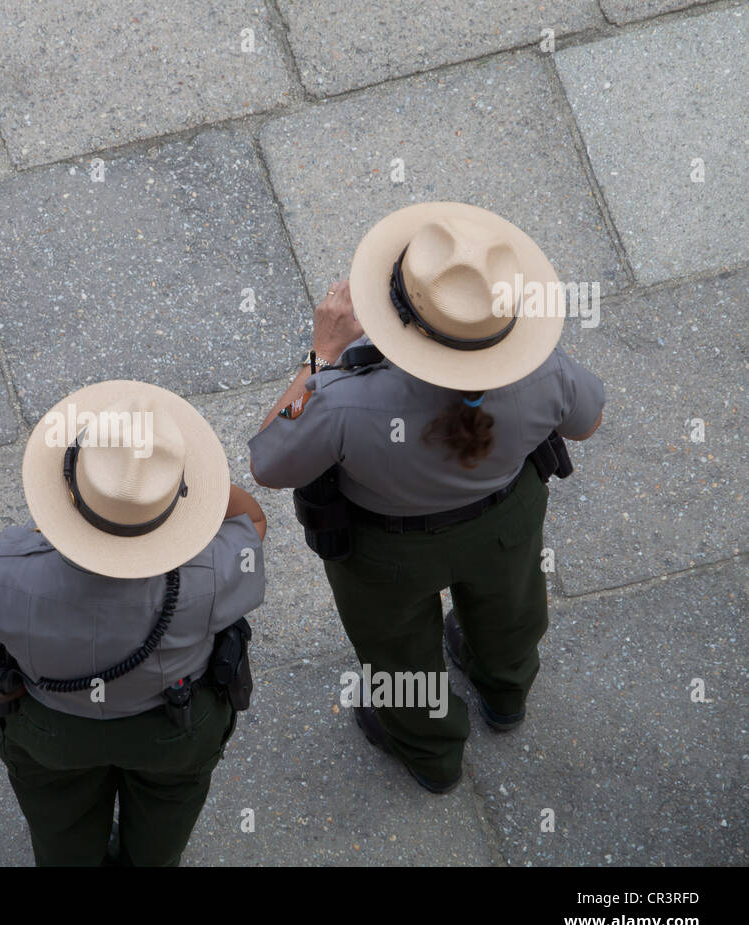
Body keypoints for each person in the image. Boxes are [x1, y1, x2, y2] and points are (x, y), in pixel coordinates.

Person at [249, 202, 605, 793]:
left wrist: (321, 352)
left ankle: (432, 755)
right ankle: (505, 693)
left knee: (399, 658)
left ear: (399, 317)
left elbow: (269, 458)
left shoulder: (344, 404)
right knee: (511, 611)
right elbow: (586, 422)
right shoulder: (544, 370)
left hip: (385, 550)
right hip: (505, 522)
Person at [0, 380, 266, 865]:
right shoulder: (213, 567)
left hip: (53, 733)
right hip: (174, 728)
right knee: (164, 825)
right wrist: (191, 486)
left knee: (60, 829)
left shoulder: (6, 568)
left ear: (69, 484)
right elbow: (253, 523)